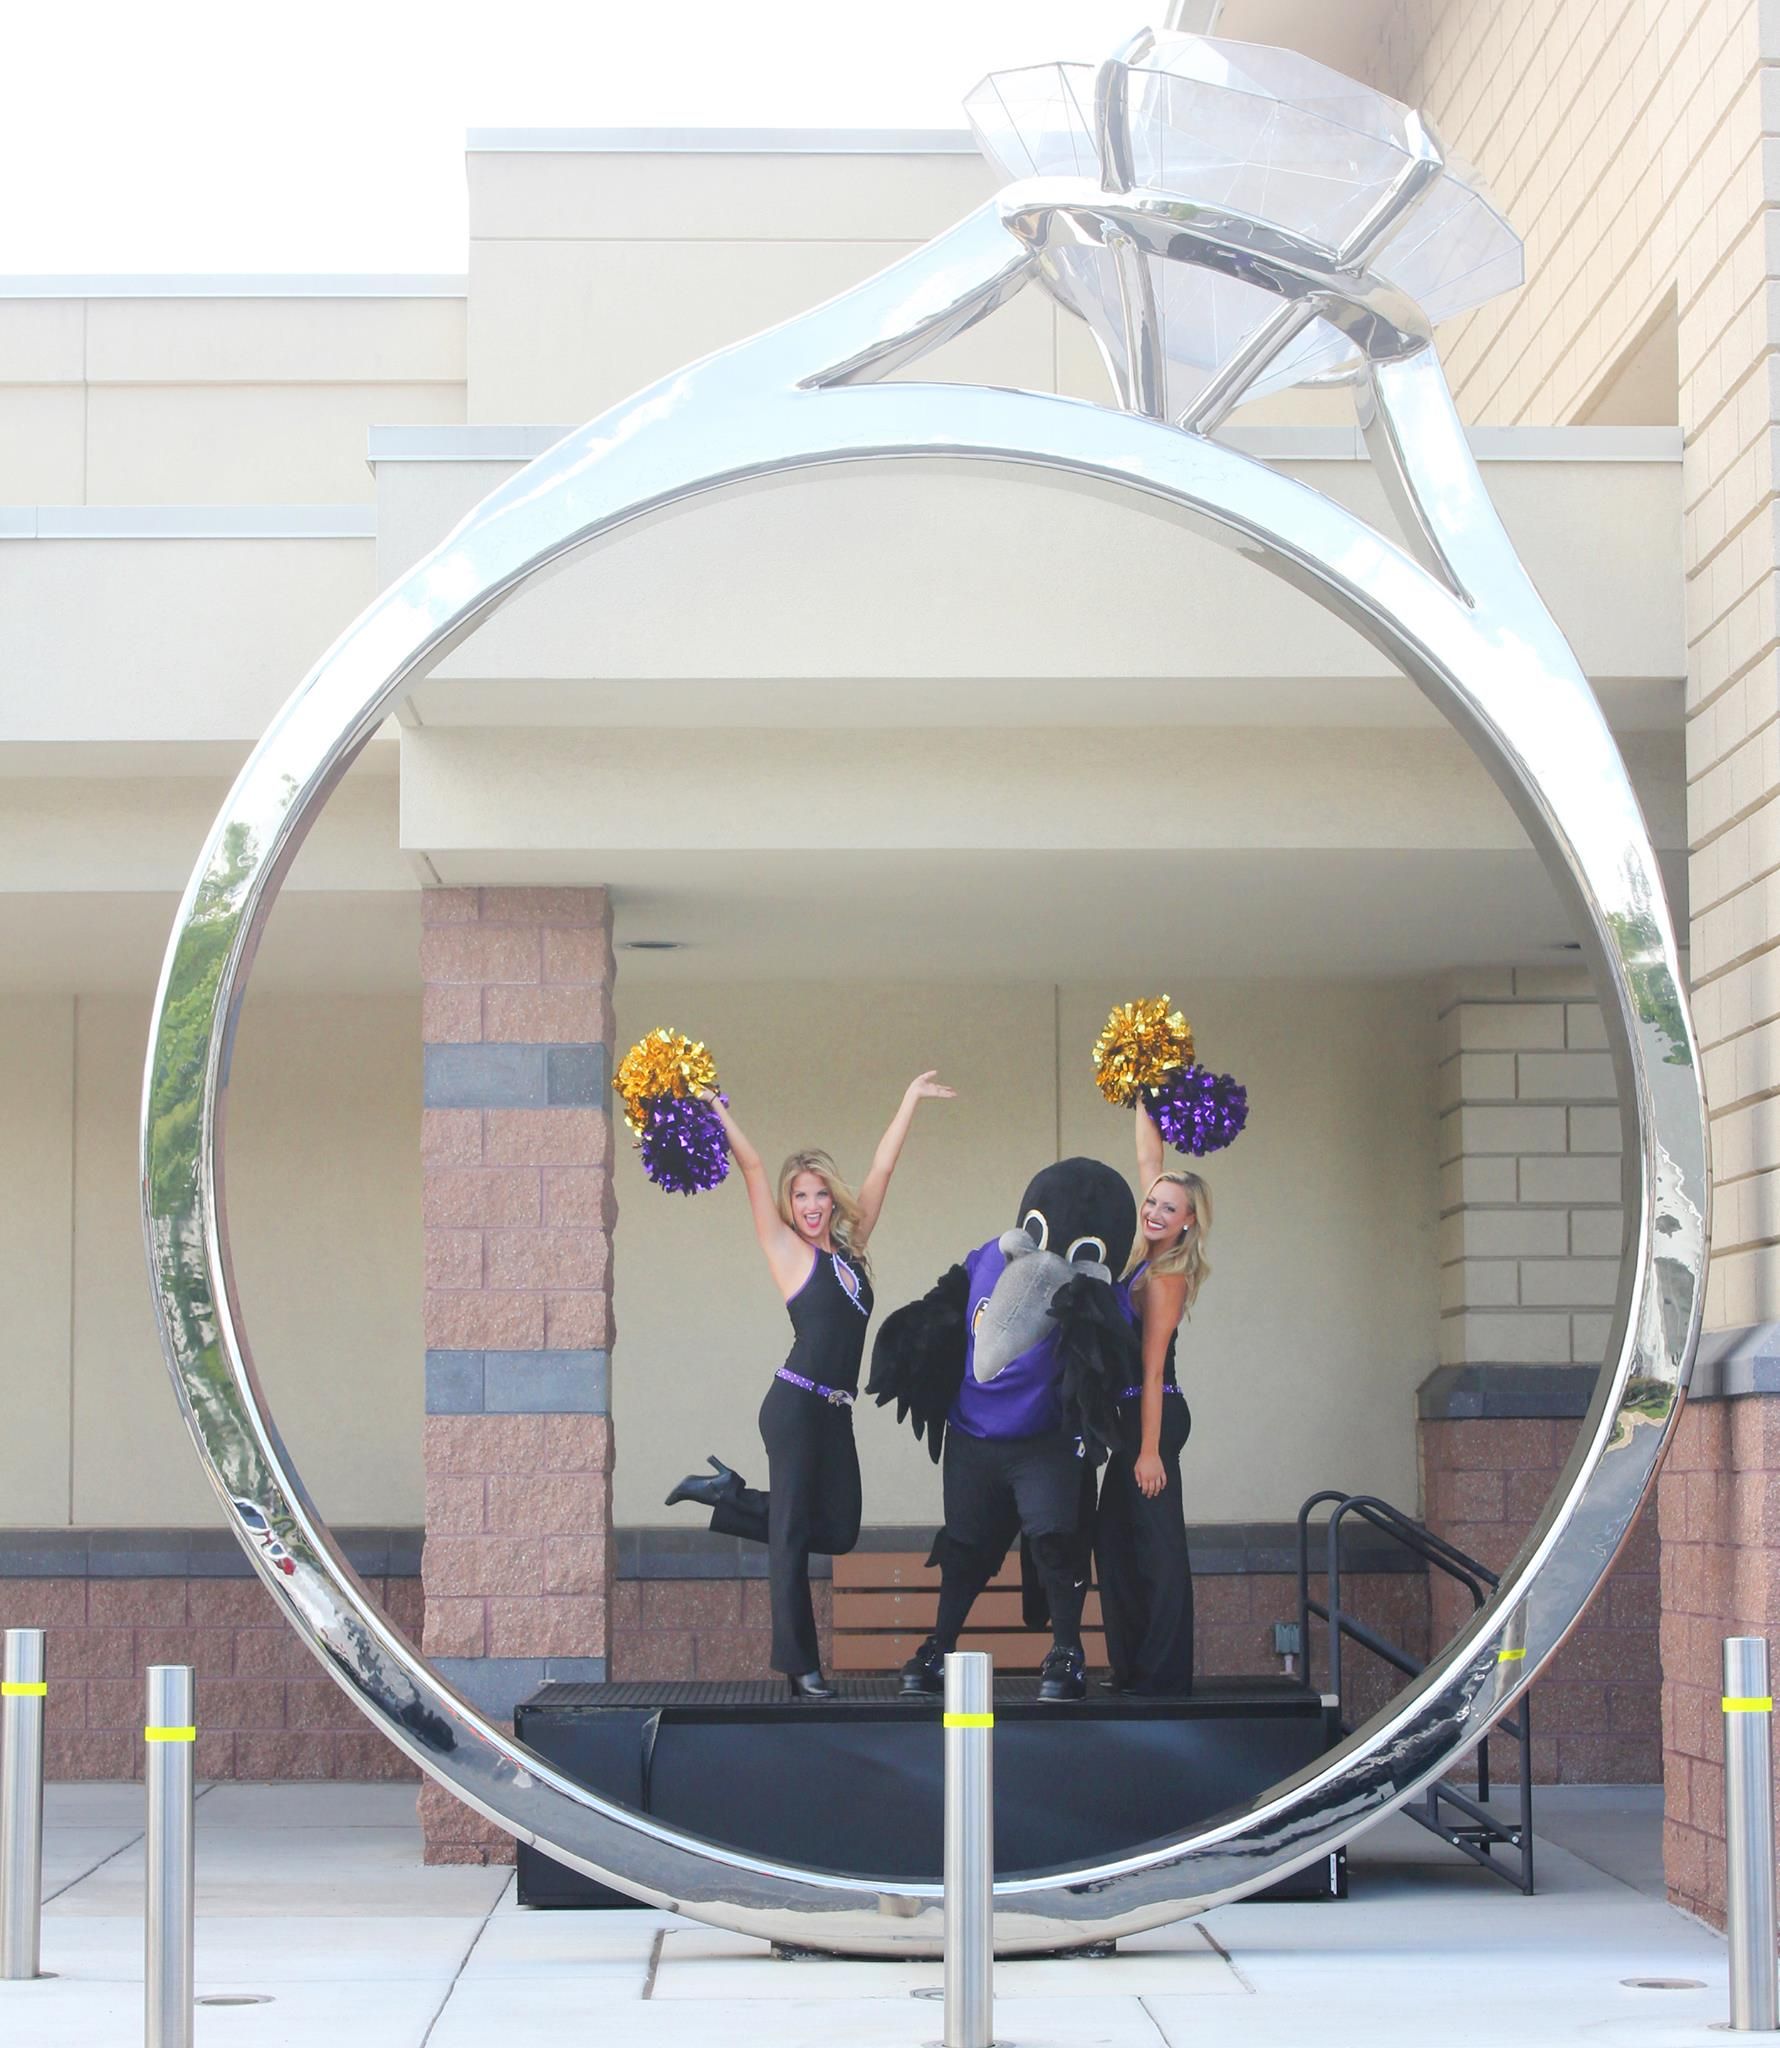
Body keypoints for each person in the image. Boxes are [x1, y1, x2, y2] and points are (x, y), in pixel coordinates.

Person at [664, 1073, 954, 1698]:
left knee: (838, 1529)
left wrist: (908, 1098)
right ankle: (802, 1666)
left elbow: (882, 1169)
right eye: (801, 1196)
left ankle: (727, 1496)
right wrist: (716, 1104)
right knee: (791, 1539)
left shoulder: (850, 1253)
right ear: (788, 1205)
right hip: (793, 1405)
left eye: (821, 1193)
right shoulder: (787, 1251)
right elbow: (752, 1165)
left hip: (835, 1414)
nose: (813, 1205)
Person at [867, 1157, 1140, 1703]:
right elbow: (946, 1313)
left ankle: (1067, 1652)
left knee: (1057, 1544)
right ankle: (940, 1648)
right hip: (972, 1435)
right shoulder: (986, 1259)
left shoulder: (1095, 1295)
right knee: (965, 1548)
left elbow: (1116, 1343)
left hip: (1044, 1441)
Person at [1094, 1099, 1211, 1694]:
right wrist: (1144, 1085)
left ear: (1188, 1220)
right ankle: (1132, 1664)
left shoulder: (1166, 1277)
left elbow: (1153, 1365)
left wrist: (1147, 1451)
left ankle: (1162, 1676)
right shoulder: (1148, 1254)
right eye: (1152, 1202)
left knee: (1158, 1545)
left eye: (1170, 1207)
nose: (1155, 1210)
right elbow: (1148, 1155)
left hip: (1154, 1416)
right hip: (1130, 1419)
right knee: (1112, 1537)